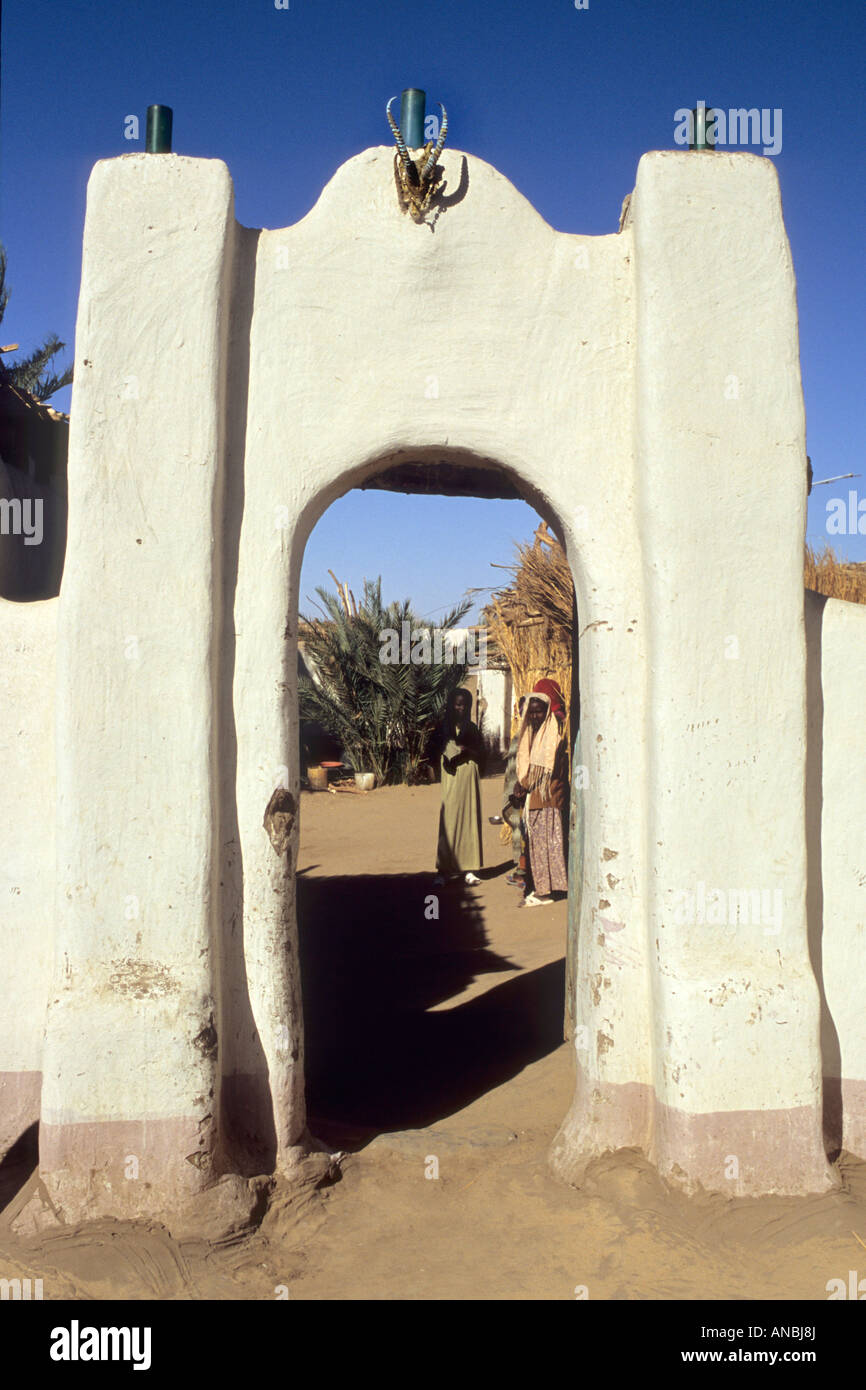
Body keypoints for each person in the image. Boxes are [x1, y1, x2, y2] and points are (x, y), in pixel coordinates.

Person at [508, 678, 569, 906]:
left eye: (539, 712)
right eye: (531, 713)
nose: (534, 716)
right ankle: (544, 888)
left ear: (547, 712)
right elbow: (526, 767)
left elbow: (545, 768)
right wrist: (521, 784)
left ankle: (545, 892)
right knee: (537, 846)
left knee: (547, 845)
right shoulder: (529, 735)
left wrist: (524, 785)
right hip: (534, 798)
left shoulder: (552, 735)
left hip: (548, 797)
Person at [434, 687, 484, 886]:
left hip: (469, 775)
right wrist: (454, 752)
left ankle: (470, 869)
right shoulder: (443, 728)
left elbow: (481, 752)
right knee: (449, 819)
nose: (460, 708)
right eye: (457, 704)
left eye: (463, 704)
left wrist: (466, 751)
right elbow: (438, 749)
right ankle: (443, 870)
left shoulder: (472, 728)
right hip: (451, 776)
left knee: (469, 818)